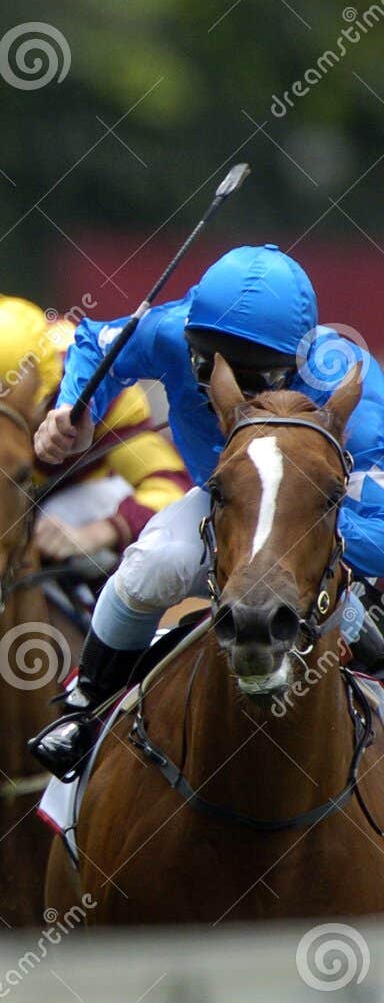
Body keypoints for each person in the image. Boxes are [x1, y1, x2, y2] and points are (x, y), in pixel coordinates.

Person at [29, 245, 384, 778]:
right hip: (224, 504)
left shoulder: (353, 395)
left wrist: (296, 524)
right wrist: (75, 407)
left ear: (299, 362)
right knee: (155, 562)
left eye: (253, 377)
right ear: (191, 340)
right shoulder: (170, 330)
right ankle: (87, 706)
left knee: (362, 630)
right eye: (206, 364)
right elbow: (93, 341)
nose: (220, 386)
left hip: (317, 534)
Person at [0, 294, 189, 577]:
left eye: (8, 413)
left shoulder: (98, 391)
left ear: (47, 392)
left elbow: (172, 490)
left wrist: (100, 532)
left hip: (76, 504)